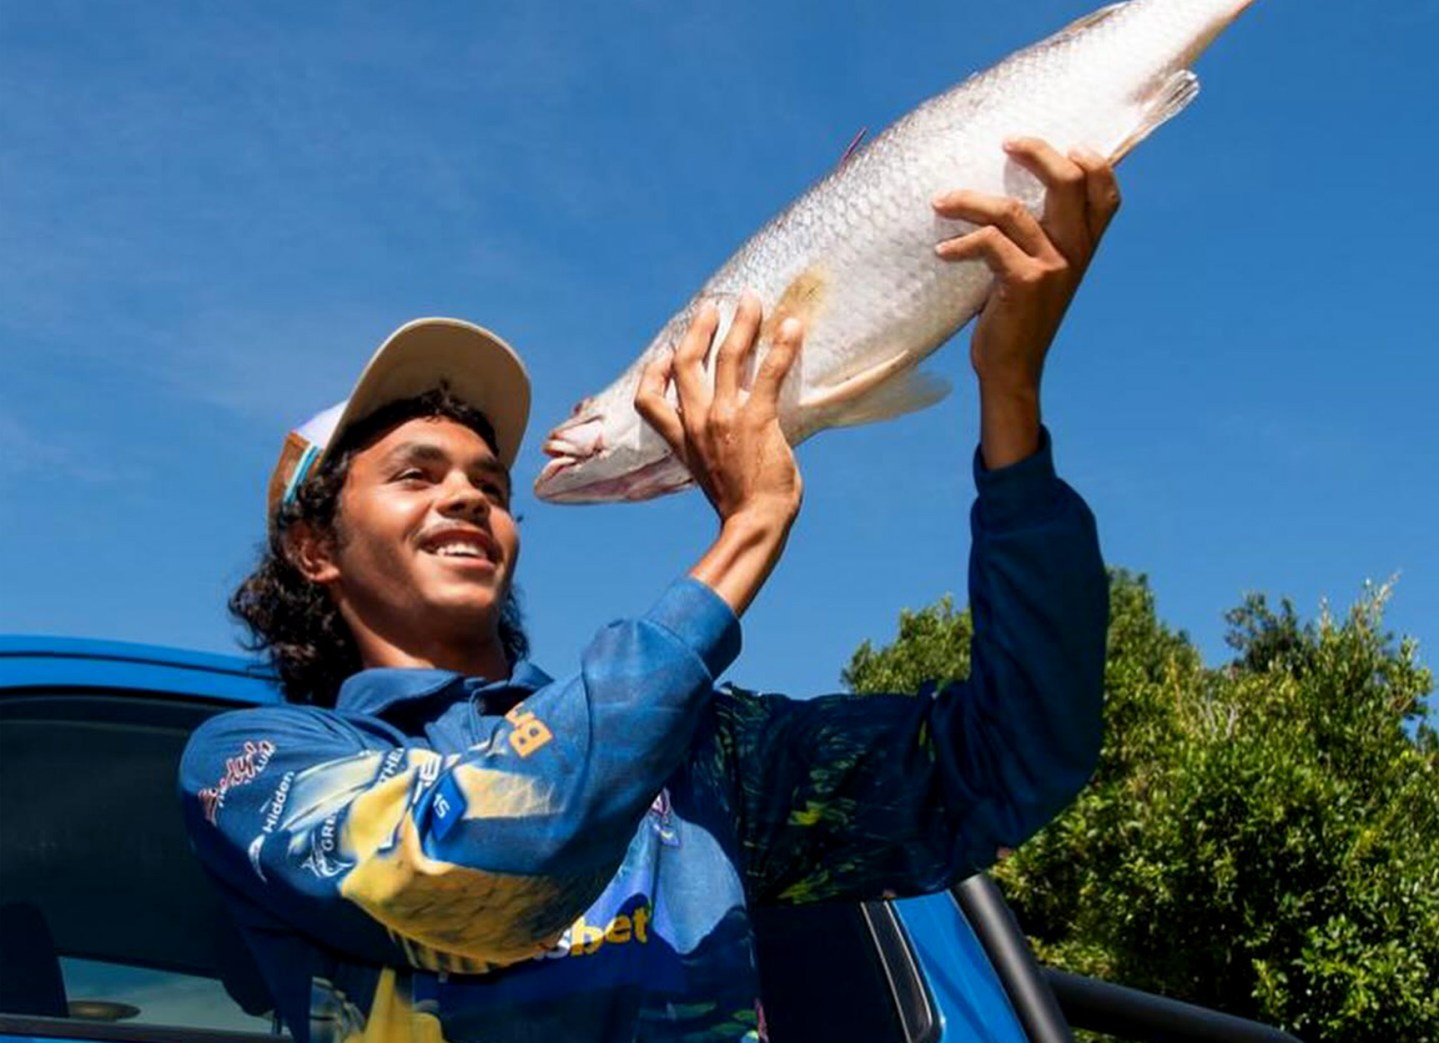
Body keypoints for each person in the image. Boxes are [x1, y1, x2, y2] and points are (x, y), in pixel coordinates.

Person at [181, 138, 1118, 1043]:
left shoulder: (701, 759)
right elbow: (476, 867)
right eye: (417, 476)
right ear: (314, 549)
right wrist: (749, 530)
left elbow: (1013, 756)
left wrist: (1009, 395)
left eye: (490, 484)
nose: (468, 494)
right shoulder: (257, 766)